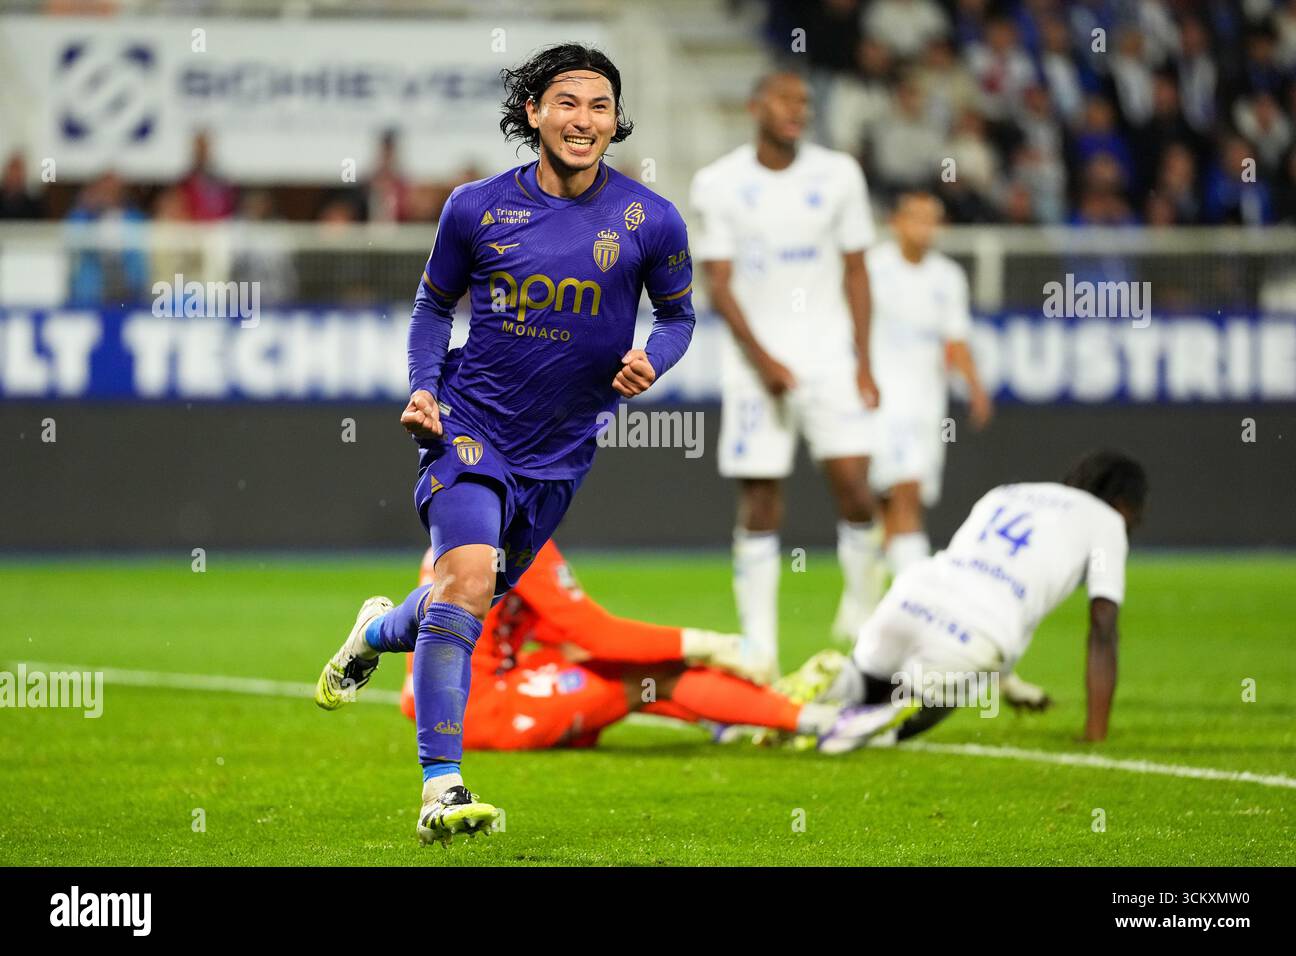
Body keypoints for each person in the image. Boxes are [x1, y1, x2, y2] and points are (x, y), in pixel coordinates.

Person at [313, 43, 696, 845]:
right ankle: (441, 788)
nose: (583, 120)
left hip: (562, 452)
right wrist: (424, 386)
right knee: (468, 576)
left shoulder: (650, 220)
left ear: (614, 121)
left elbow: (680, 317)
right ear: (534, 113)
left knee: (469, 594)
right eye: (567, 103)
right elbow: (431, 307)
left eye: (598, 106)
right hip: (469, 427)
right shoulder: (476, 208)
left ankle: (376, 632)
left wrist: (651, 360)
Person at [691, 70, 881, 675]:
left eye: (804, 101)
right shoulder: (719, 183)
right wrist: (765, 361)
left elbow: (856, 269)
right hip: (755, 367)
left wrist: (865, 359)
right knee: (761, 497)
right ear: (755, 106)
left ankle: (862, 612)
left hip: (830, 358)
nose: (797, 110)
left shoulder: (839, 175)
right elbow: (717, 285)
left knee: (855, 485)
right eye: (785, 100)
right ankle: (761, 648)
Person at [818, 450, 1147, 753]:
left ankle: (811, 702)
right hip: (970, 637)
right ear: (1123, 504)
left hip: (908, 599)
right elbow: (1103, 624)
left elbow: (978, 576)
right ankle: (860, 726)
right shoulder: (1107, 521)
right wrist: (1095, 732)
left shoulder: (1005, 493)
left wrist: (1005, 679)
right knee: (882, 729)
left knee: (857, 689)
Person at [396, 542, 843, 751]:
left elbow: (566, 639)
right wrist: (709, 644)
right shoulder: (513, 535)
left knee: (621, 668)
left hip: (446, 709)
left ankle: (736, 718)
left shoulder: (460, 525)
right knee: (652, 676)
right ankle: (814, 721)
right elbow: (596, 634)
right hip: (485, 714)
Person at [866, 191, 991, 582]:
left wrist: (975, 386)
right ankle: (915, 588)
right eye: (917, 218)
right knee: (903, 491)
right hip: (882, 398)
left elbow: (955, 339)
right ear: (897, 223)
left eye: (933, 219)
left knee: (901, 498)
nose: (926, 227)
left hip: (927, 402)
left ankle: (871, 582)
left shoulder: (948, 277)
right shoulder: (871, 269)